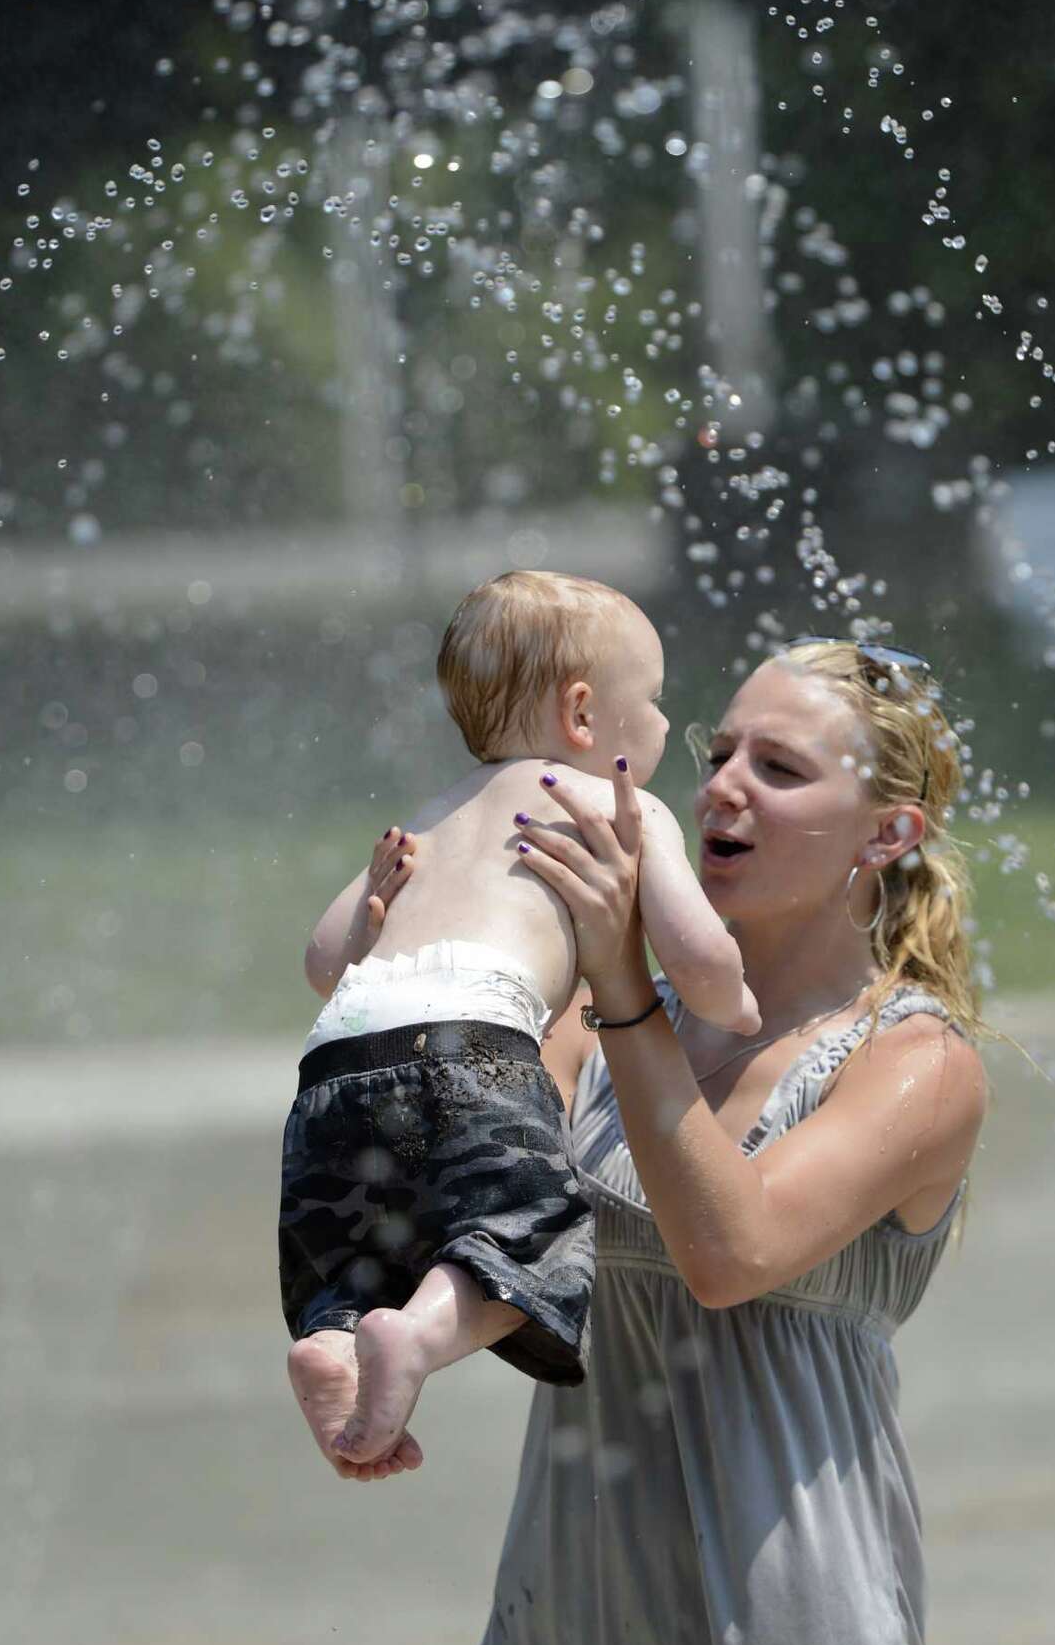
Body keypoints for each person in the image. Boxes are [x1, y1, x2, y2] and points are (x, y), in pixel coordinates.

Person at [459, 635, 989, 1645]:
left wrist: (622, 983)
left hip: (789, 1621)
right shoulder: (592, 1019)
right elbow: (469, 1202)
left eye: (778, 768)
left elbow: (729, 1252)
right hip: (573, 1604)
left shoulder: (914, 1063)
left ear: (888, 832)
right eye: (720, 755)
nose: (720, 790)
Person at [281, 570, 759, 1483]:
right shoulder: (612, 803)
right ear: (582, 715)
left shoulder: (432, 815)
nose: (666, 725)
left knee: (361, 1237)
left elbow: (321, 965)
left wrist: (376, 907)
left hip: (338, 1057)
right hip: (477, 1044)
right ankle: (418, 1338)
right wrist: (733, 1001)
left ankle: (334, 1341)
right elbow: (700, 959)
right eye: (653, 701)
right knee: (530, 1237)